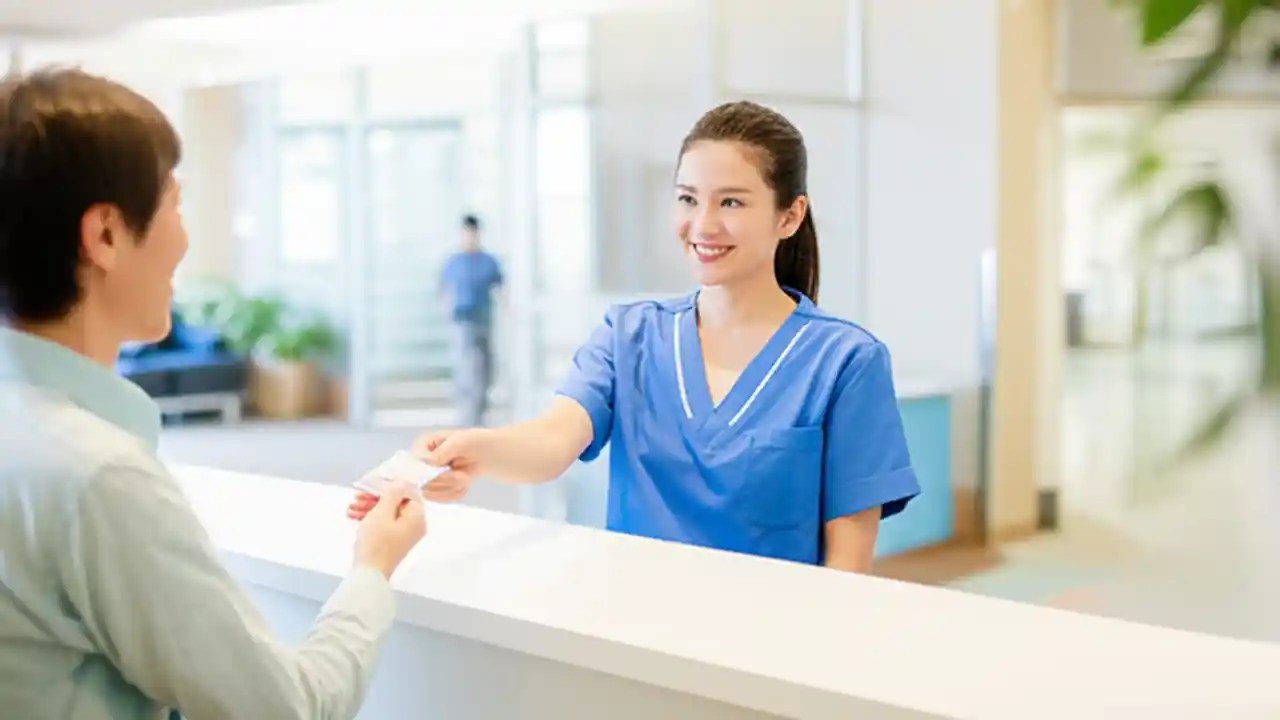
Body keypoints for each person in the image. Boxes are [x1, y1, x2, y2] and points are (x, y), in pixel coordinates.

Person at [0, 68, 426, 719]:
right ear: (106, 235)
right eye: (175, 201)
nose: (185, 237)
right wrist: (373, 568)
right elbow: (287, 709)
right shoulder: (99, 478)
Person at [355, 101, 920, 571]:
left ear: (789, 216)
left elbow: (847, 574)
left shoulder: (846, 362)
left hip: (768, 658)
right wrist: (473, 450)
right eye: (687, 198)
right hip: (634, 633)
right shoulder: (629, 336)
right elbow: (554, 441)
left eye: (731, 201)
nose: (702, 225)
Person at [439, 214, 504, 426]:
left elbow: (501, 289)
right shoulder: (454, 262)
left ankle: (479, 414)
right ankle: (465, 415)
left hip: (483, 320)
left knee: (485, 368)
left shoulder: (489, 262)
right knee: (466, 368)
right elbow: (445, 291)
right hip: (461, 321)